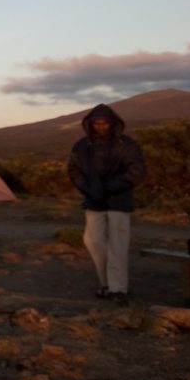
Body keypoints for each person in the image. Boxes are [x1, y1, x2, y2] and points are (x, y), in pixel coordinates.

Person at [67, 103, 147, 305]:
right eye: (97, 122)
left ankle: (118, 289)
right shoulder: (82, 146)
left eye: (105, 122)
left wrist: (111, 187)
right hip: (94, 202)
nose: (101, 126)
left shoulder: (126, 144)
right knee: (93, 242)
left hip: (119, 201)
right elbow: (74, 170)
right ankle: (106, 283)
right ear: (90, 124)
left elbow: (136, 171)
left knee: (118, 246)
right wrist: (89, 189)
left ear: (113, 123)